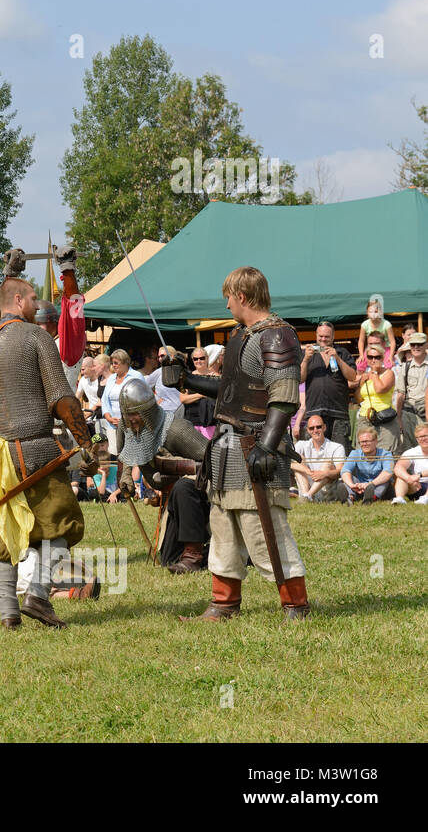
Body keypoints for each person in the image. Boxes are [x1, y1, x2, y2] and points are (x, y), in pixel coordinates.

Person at [162, 266, 309, 621]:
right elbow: (229, 392)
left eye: (228, 297)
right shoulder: (243, 336)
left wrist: (268, 445)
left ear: (241, 296)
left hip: (255, 444)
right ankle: (223, 603)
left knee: (264, 527)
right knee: (224, 524)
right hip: (227, 447)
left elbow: (285, 398)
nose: (226, 304)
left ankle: (295, 604)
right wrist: (188, 379)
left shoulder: (277, 336)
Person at [0, 258, 97, 629]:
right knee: (61, 523)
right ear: (18, 299)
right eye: (34, 298)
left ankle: (8, 613)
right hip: (34, 451)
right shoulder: (36, 337)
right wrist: (87, 445)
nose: (38, 305)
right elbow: (61, 399)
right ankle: (37, 595)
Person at [113, 377, 211, 572]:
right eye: (127, 414)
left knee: (183, 487)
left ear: (148, 410)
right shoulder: (128, 427)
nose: (130, 419)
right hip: (173, 501)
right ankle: (217, 554)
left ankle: (193, 557)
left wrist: (177, 467)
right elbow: (125, 452)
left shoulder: (177, 430)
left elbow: (213, 461)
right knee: (169, 559)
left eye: (135, 413)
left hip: (200, 497)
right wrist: (124, 474)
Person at [296, 321, 357, 453]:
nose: (323, 339)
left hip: (339, 412)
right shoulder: (307, 354)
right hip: (315, 412)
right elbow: (300, 379)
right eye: (320, 336)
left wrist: (337, 359)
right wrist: (306, 359)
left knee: (340, 454)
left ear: (333, 337)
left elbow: (352, 376)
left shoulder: (342, 353)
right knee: (315, 454)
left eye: (327, 337)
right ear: (316, 335)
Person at [291, 414, 346, 502]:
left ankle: (308, 496)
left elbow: (341, 471)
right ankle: (306, 496)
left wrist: (325, 473)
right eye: (312, 428)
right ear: (308, 430)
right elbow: (289, 463)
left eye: (318, 427)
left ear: (324, 427)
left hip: (327, 492)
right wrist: (307, 470)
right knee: (299, 460)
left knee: (328, 464)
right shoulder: (301, 444)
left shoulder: (337, 447)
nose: (315, 430)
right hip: (307, 486)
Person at [355, 337, 397, 451]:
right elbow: (359, 399)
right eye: (370, 357)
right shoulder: (365, 375)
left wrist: (374, 375)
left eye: (377, 357)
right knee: (363, 452)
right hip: (365, 417)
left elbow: (380, 389)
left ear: (383, 358)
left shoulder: (389, 373)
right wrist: (361, 383)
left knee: (386, 452)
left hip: (384, 418)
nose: (373, 360)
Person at [99, 349, 142, 456]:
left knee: (132, 456)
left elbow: (141, 400)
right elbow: (104, 400)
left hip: (131, 425)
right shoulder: (111, 379)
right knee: (116, 456)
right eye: (112, 363)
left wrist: (127, 420)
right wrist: (108, 417)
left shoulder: (136, 376)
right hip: (112, 425)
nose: (113, 366)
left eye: (116, 363)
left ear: (125, 362)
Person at [340, 426, 395, 504]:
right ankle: (349, 498)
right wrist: (352, 485)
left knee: (385, 481)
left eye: (367, 441)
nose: (364, 444)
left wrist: (370, 485)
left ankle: (371, 498)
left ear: (376, 441)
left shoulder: (386, 454)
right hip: (360, 487)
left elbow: (388, 472)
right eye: (362, 442)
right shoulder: (355, 453)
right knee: (348, 478)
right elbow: (345, 470)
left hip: (380, 488)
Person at [394, 331, 427, 451]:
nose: (416, 347)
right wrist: (398, 418)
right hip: (409, 414)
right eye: (413, 344)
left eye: (420, 344)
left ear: (426, 345)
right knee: (410, 450)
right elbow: (400, 395)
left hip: (426, 414)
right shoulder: (405, 367)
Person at [181, 347, 219, 439]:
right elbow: (183, 399)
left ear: (207, 359)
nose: (199, 361)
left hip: (210, 423)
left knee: (208, 450)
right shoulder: (187, 378)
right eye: (196, 359)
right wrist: (201, 394)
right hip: (191, 421)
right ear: (192, 360)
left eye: (202, 358)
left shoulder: (216, 377)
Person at [392, 421, 428, 504]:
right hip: (418, 486)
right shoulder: (412, 452)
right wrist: (409, 478)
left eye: (425, 436)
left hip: (419, 479)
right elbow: (398, 468)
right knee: (401, 477)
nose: (423, 439)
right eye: (420, 437)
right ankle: (399, 499)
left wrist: (419, 475)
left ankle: (426, 498)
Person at [358, 296, 394, 365]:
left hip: (385, 348)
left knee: (389, 364)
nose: (373, 314)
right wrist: (361, 354)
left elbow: (392, 342)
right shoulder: (364, 325)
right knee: (360, 364)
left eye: (376, 311)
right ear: (367, 313)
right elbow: (361, 341)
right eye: (370, 312)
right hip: (370, 349)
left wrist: (391, 356)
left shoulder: (387, 324)